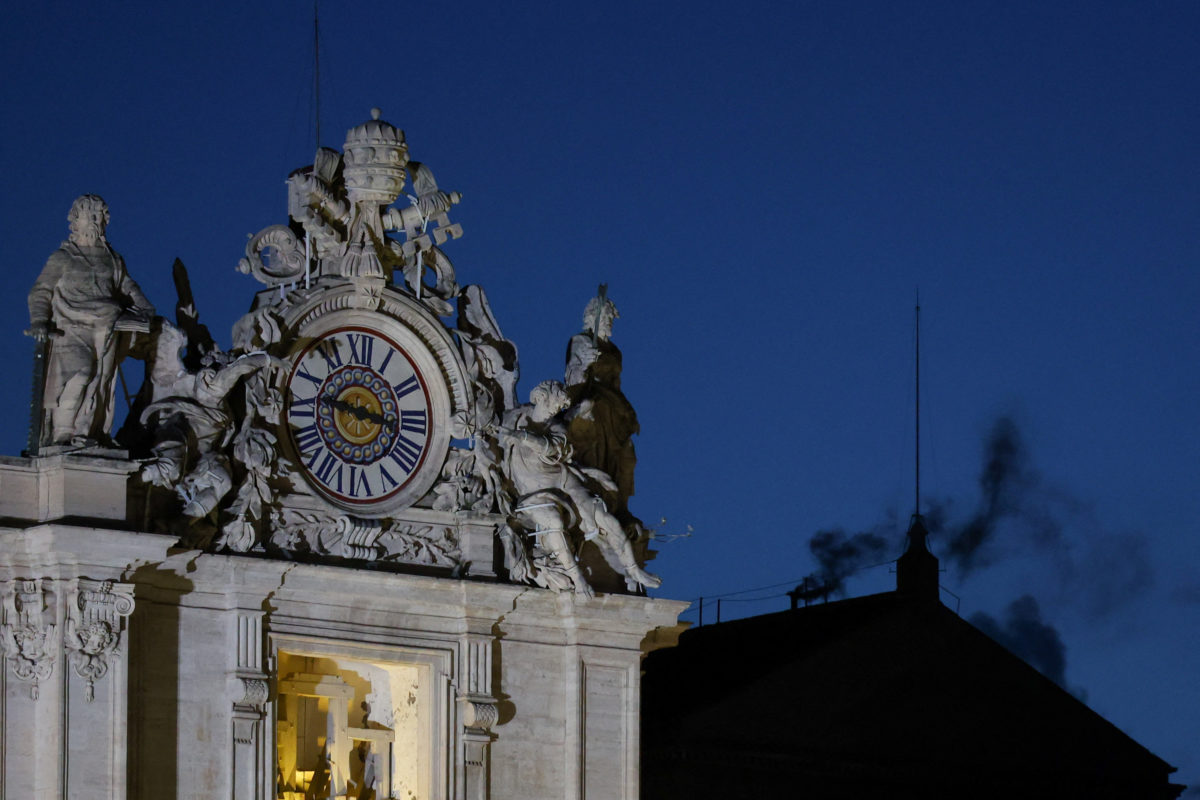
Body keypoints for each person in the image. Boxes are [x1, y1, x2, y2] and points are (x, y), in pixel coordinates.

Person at [500, 380, 660, 595]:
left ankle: (634, 570)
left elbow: (550, 448)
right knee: (554, 522)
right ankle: (577, 578)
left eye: (558, 408)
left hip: (564, 483)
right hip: (532, 493)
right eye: (553, 406)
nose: (555, 411)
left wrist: (524, 437)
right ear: (539, 398)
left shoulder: (558, 428)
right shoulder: (514, 418)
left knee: (606, 519)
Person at [27, 195, 154, 447]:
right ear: (76, 221)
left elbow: (127, 286)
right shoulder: (63, 257)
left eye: (98, 216)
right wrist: (40, 319)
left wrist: (144, 305)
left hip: (108, 326)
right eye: (88, 215)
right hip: (71, 327)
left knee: (100, 381)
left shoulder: (112, 259)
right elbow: (41, 291)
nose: (94, 221)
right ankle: (63, 432)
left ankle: (85, 433)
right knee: (81, 373)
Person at [564, 293, 639, 515]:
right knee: (594, 443)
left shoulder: (615, 351)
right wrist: (585, 364)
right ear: (591, 318)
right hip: (594, 399)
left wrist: (627, 410)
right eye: (605, 318)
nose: (608, 323)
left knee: (624, 454)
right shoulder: (581, 341)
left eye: (610, 319)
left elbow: (616, 383)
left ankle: (620, 503)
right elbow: (572, 375)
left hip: (614, 406)